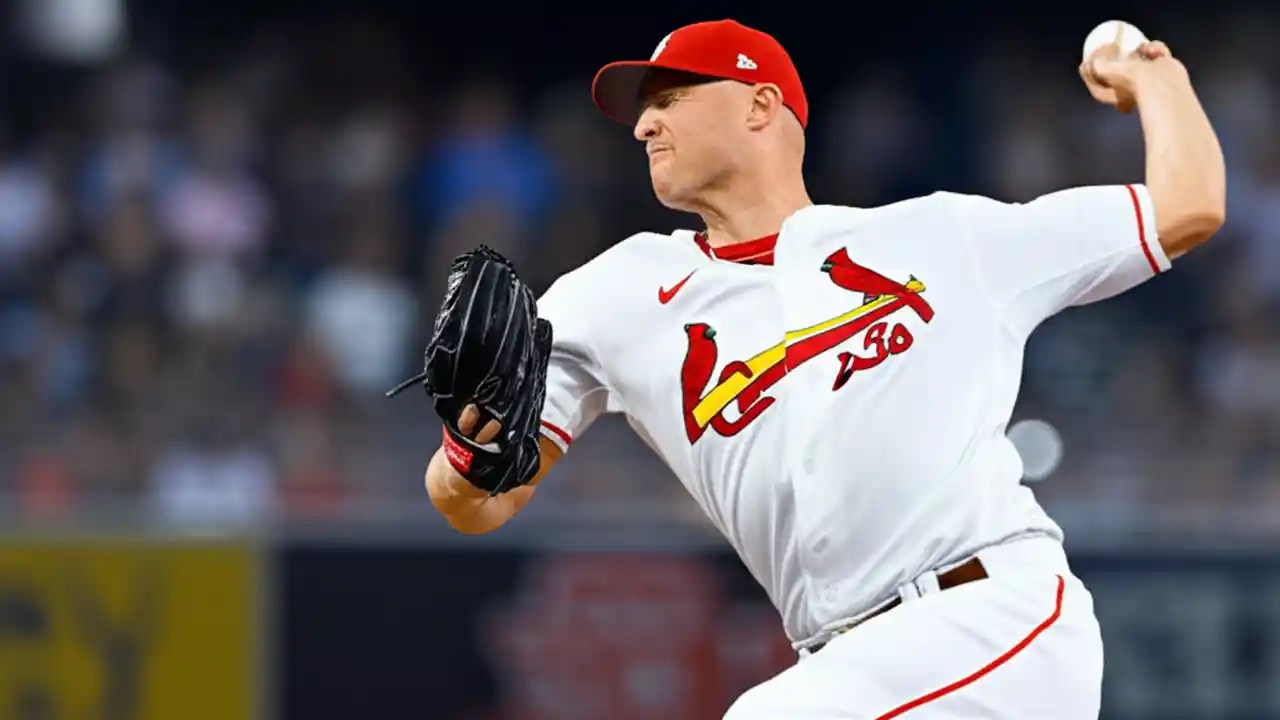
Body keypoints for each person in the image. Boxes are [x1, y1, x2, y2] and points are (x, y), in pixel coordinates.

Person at [424, 18, 1225, 719]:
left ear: (760, 105)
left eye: (669, 99)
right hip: (848, 666)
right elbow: (476, 504)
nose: (643, 128)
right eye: (643, 112)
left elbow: (1187, 206)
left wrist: (1158, 77)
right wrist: (472, 451)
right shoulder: (615, 295)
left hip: (996, 617)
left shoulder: (942, 237)